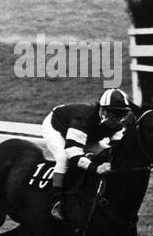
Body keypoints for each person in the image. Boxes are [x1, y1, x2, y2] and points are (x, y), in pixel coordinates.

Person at [41, 88, 136, 227]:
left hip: (88, 134)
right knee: (63, 158)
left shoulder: (118, 123)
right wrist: (96, 168)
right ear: (103, 111)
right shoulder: (83, 117)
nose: (118, 120)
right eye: (114, 115)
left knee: (104, 154)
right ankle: (56, 200)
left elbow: (117, 150)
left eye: (122, 115)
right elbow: (73, 154)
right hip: (57, 126)